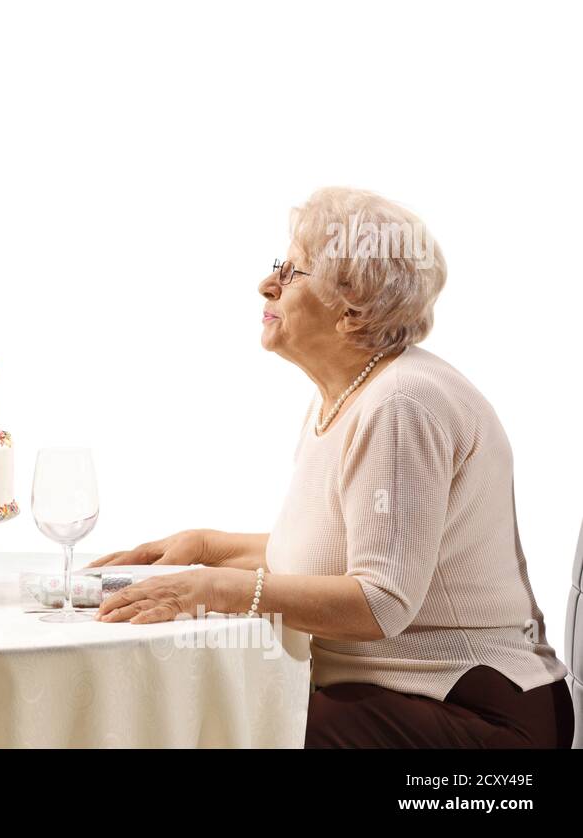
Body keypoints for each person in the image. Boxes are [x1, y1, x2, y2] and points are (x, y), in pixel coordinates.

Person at [91, 187, 572, 748]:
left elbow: (382, 600)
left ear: (353, 307)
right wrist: (207, 547)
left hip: (484, 726)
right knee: (220, 715)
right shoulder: (348, 396)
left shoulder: (401, 405)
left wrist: (220, 588)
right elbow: (349, 552)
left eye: (293, 273)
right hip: (401, 705)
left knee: (237, 732)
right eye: (279, 266)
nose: (267, 284)